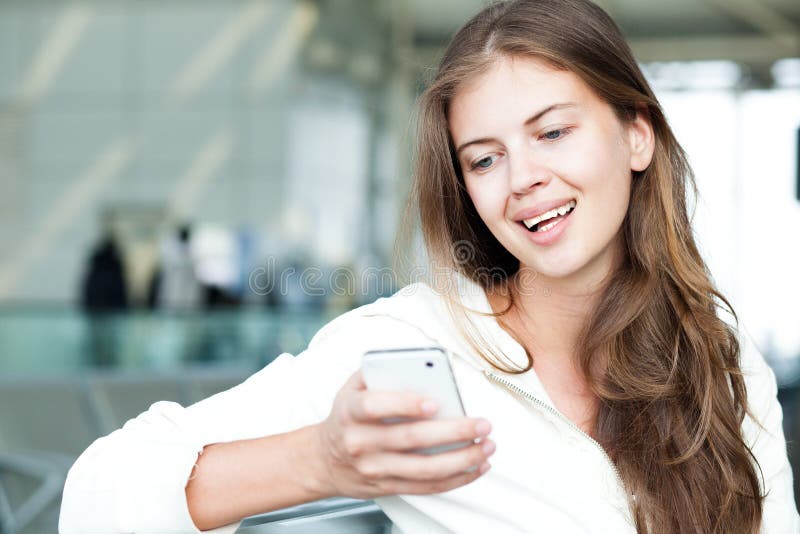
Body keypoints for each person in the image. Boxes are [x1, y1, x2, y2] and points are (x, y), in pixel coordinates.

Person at [59, 1, 799, 532]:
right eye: (485, 158)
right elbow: (97, 496)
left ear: (637, 137)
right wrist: (320, 461)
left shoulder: (720, 358)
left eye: (553, 132)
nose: (524, 178)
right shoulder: (414, 341)